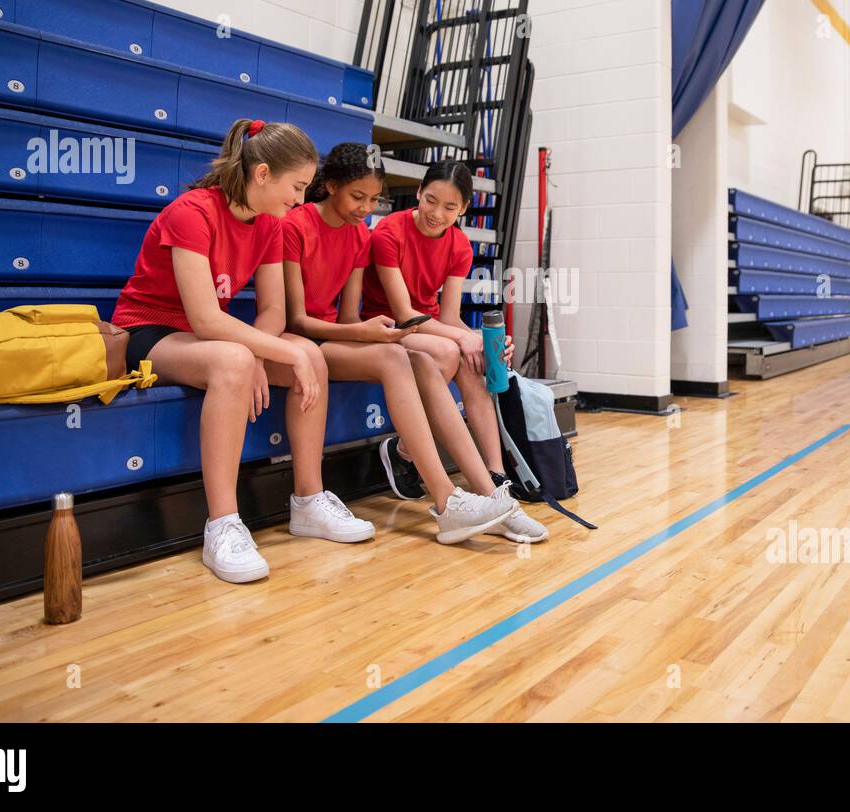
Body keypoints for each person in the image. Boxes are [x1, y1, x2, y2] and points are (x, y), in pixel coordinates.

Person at [111, 119, 373, 585]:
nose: (300, 199)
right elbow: (205, 318)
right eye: (296, 187)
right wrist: (255, 353)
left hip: (208, 336)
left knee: (308, 355)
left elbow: (273, 310)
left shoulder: (271, 224)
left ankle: (309, 501)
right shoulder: (191, 213)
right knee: (237, 359)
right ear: (263, 174)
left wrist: (268, 349)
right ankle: (223, 524)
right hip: (151, 333)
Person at [282, 143, 532, 544]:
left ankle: (490, 489)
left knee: (434, 355)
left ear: (464, 209)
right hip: (306, 338)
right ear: (329, 187)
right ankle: (449, 498)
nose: (366, 207)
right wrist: (366, 333)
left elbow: (346, 317)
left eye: (372, 199)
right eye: (357, 197)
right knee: (419, 353)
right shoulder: (301, 226)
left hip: (341, 336)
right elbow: (297, 320)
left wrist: (479, 340)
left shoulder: (358, 236)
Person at [359, 159, 548, 543]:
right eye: (431, 201)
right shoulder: (388, 232)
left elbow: (448, 316)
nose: (437, 214)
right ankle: (413, 453)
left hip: (429, 329)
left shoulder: (459, 244)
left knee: (475, 360)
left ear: (463, 209)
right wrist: (461, 339)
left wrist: (484, 342)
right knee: (449, 352)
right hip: (388, 327)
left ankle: (495, 483)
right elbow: (404, 313)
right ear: (417, 193)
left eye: (449, 207)